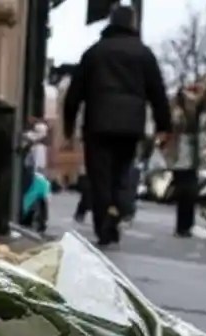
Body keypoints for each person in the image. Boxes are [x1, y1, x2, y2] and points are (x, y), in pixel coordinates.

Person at [63, 4, 171, 247]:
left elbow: (74, 93)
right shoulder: (144, 54)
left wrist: (69, 127)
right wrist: (164, 125)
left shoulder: (94, 53)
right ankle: (118, 209)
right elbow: (158, 91)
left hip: (97, 125)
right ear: (132, 23)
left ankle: (104, 225)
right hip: (130, 126)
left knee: (100, 177)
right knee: (122, 173)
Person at [165, 83, 206, 237]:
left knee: (189, 188)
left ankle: (186, 225)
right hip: (181, 149)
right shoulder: (179, 107)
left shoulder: (200, 106)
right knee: (186, 188)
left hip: (190, 150)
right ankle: (183, 226)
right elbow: (179, 125)